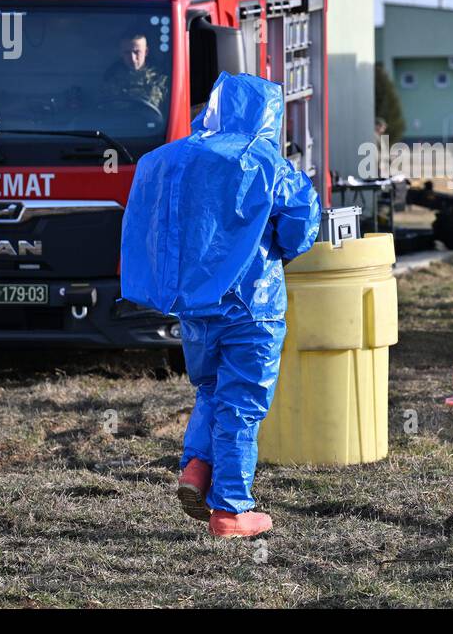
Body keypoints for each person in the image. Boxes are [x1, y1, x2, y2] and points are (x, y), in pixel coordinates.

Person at [121, 73, 320, 539]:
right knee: (243, 403)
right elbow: (301, 225)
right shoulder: (265, 160)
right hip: (254, 303)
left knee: (212, 388)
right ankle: (230, 509)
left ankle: (196, 467)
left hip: (196, 306)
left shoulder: (174, 158)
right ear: (266, 114)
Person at [104, 34, 169, 109]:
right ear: (121, 53)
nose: (133, 58)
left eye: (137, 52)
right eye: (127, 53)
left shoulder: (161, 78)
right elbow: (105, 108)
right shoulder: (111, 77)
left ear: (146, 52)